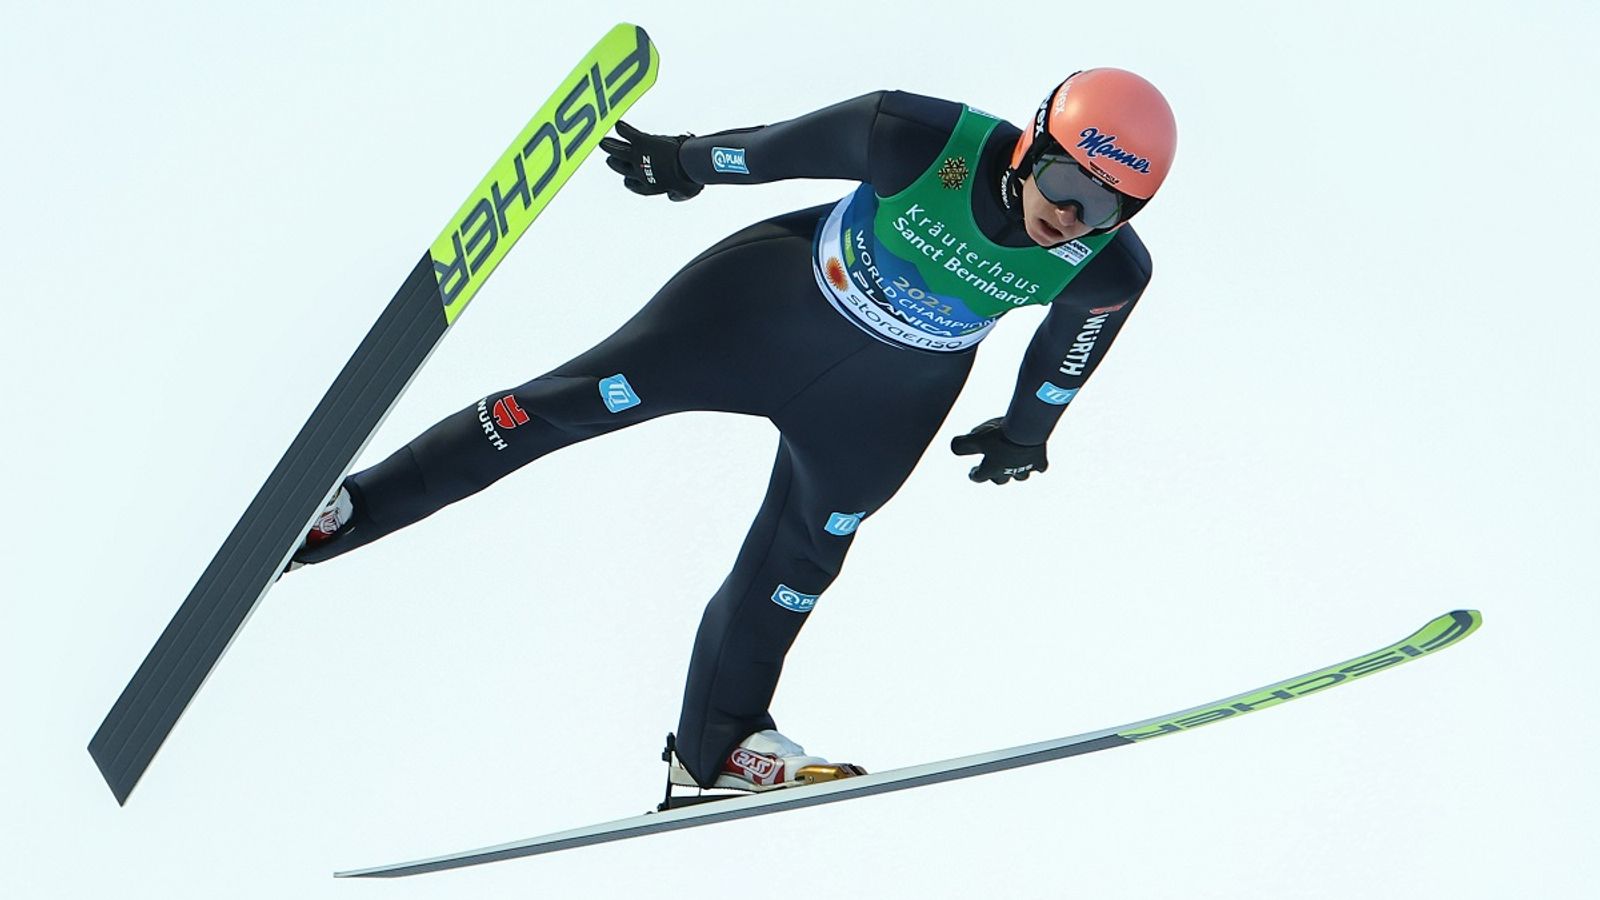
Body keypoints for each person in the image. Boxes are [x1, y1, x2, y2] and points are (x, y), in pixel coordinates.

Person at [290, 68, 1177, 795]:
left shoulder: (1106, 266)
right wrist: (685, 161)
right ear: (1031, 145)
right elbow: (776, 151)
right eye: (1065, 185)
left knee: (804, 558)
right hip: (762, 311)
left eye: (1105, 209)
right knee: (557, 406)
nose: (1071, 216)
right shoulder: (918, 136)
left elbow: (1068, 351)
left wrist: (1027, 431)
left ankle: (716, 747)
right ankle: (341, 512)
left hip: (887, 395)